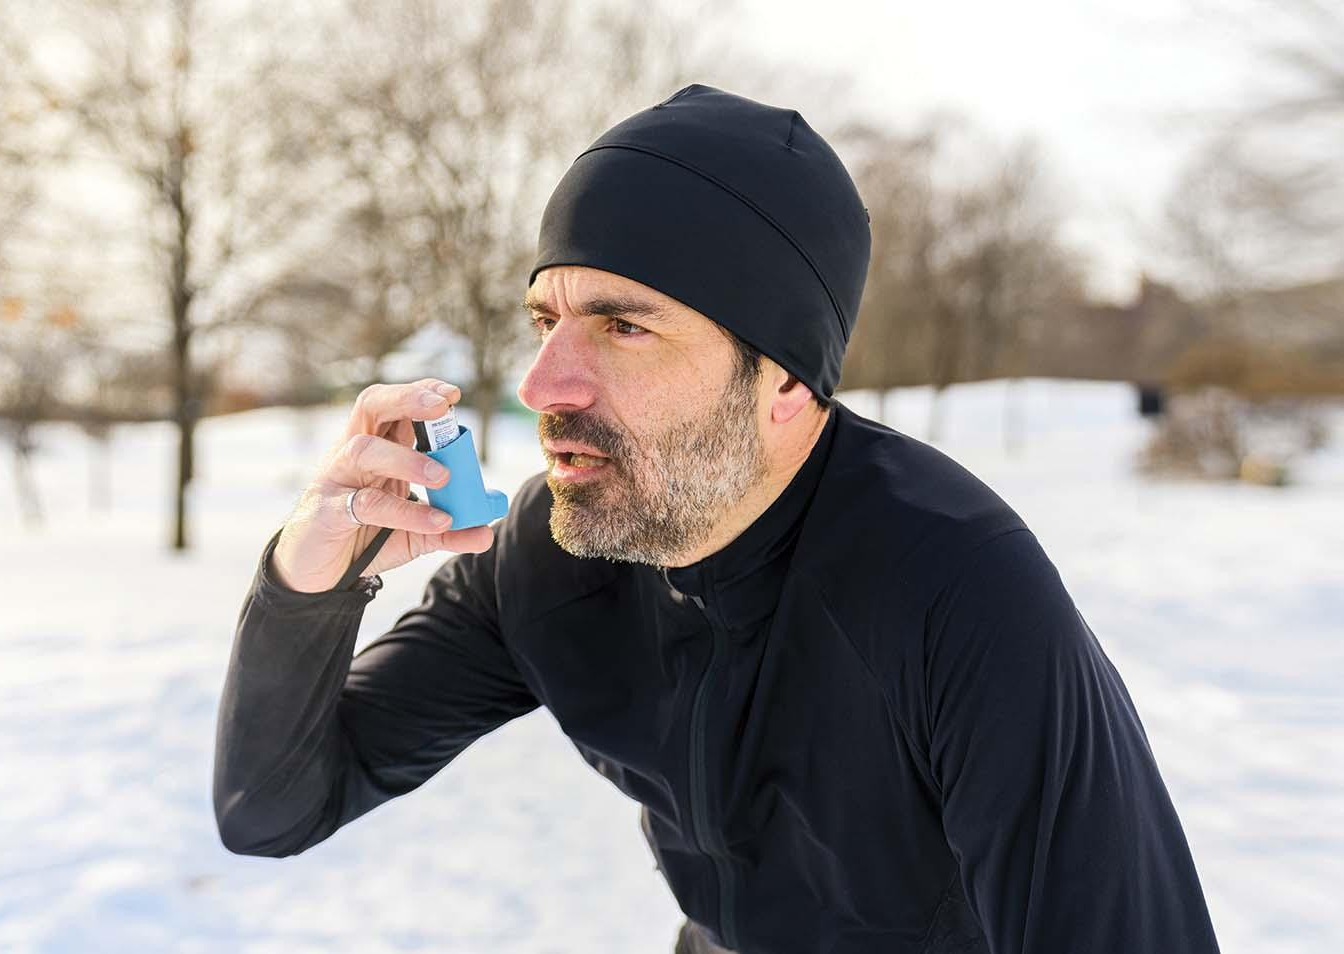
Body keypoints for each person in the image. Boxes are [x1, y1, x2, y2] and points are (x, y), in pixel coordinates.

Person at [213, 85, 1220, 954]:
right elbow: (273, 811)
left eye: (624, 326)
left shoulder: (953, 589)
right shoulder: (549, 555)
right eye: (546, 320)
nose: (542, 384)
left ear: (786, 380)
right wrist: (307, 583)